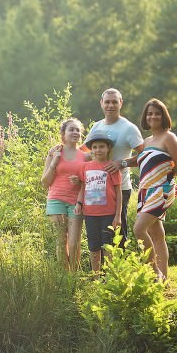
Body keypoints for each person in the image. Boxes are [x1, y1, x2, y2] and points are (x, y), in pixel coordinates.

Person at [132, 98, 177, 281]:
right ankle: (164, 280)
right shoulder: (147, 141)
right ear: (145, 117)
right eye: (149, 113)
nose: (153, 116)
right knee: (157, 234)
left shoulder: (169, 137)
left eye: (157, 113)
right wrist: (120, 163)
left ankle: (156, 274)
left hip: (160, 191)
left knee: (139, 229)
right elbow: (142, 161)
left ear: (163, 116)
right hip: (145, 191)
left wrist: (169, 183)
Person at [88, 88, 145, 246]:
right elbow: (85, 152)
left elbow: (146, 155)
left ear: (121, 103)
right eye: (107, 102)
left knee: (117, 231)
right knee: (100, 235)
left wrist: (123, 162)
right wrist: (62, 149)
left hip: (119, 188)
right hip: (97, 189)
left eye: (114, 102)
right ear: (101, 103)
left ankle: (120, 269)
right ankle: (100, 271)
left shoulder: (129, 128)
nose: (110, 105)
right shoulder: (97, 127)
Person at [41, 118, 87, 271]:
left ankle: (74, 276)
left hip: (76, 202)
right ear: (63, 134)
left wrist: (80, 180)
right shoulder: (54, 152)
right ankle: (64, 277)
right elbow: (44, 183)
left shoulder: (86, 157)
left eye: (77, 130)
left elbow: (88, 182)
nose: (75, 132)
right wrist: (54, 161)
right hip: (56, 201)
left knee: (74, 243)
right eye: (71, 129)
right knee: (61, 242)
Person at [74, 131, 122, 274]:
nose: (98, 150)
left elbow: (119, 193)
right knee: (93, 247)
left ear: (108, 148)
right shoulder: (85, 167)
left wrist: (118, 215)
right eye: (94, 147)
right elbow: (83, 187)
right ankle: (96, 278)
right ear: (91, 149)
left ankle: (109, 278)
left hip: (108, 213)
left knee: (108, 247)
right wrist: (79, 203)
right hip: (90, 214)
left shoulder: (112, 167)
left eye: (101, 147)